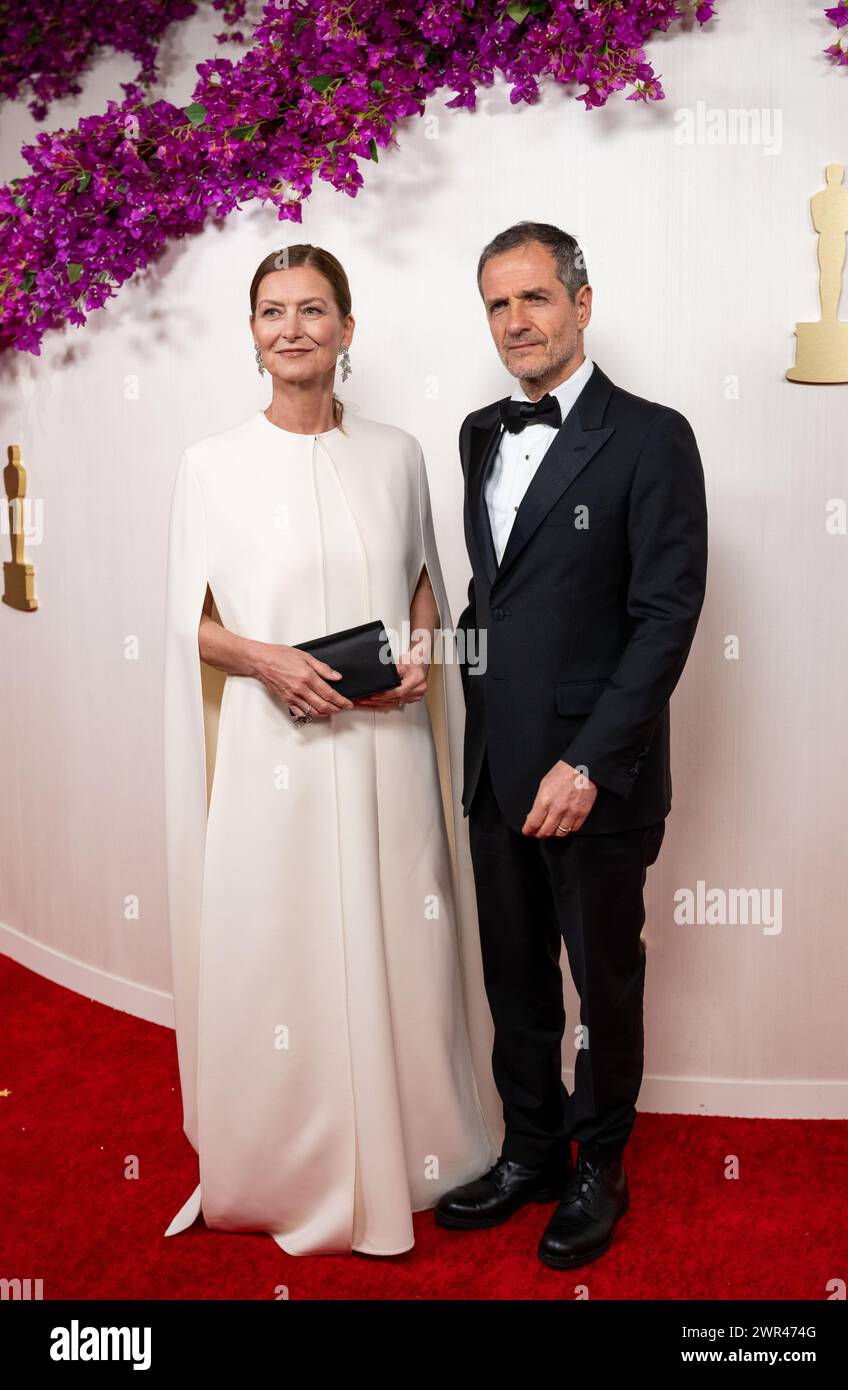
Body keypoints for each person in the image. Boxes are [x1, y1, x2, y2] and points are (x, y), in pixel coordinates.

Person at [162, 243, 502, 1256]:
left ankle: (423, 1145)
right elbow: (187, 622)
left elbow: (421, 581)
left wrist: (425, 652)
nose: (293, 327)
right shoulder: (209, 465)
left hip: (387, 749)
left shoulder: (397, 452)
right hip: (280, 759)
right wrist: (266, 660)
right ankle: (289, 1159)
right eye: (272, 311)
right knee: (283, 944)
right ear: (253, 333)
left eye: (314, 309)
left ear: (347, 331)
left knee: (405, 934)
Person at [434, 221, 708, 1268]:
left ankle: (599, 1162)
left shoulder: (652, 435)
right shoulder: (474, 433)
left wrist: (586, 761)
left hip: (596, 777)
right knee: (512, 979)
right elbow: (493, 594)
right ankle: (531, 1149)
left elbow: (665, 616)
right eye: (498, 304)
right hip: (496, 769)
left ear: (581, 303)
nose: (516, 322)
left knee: (604, 985)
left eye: (534, 298)